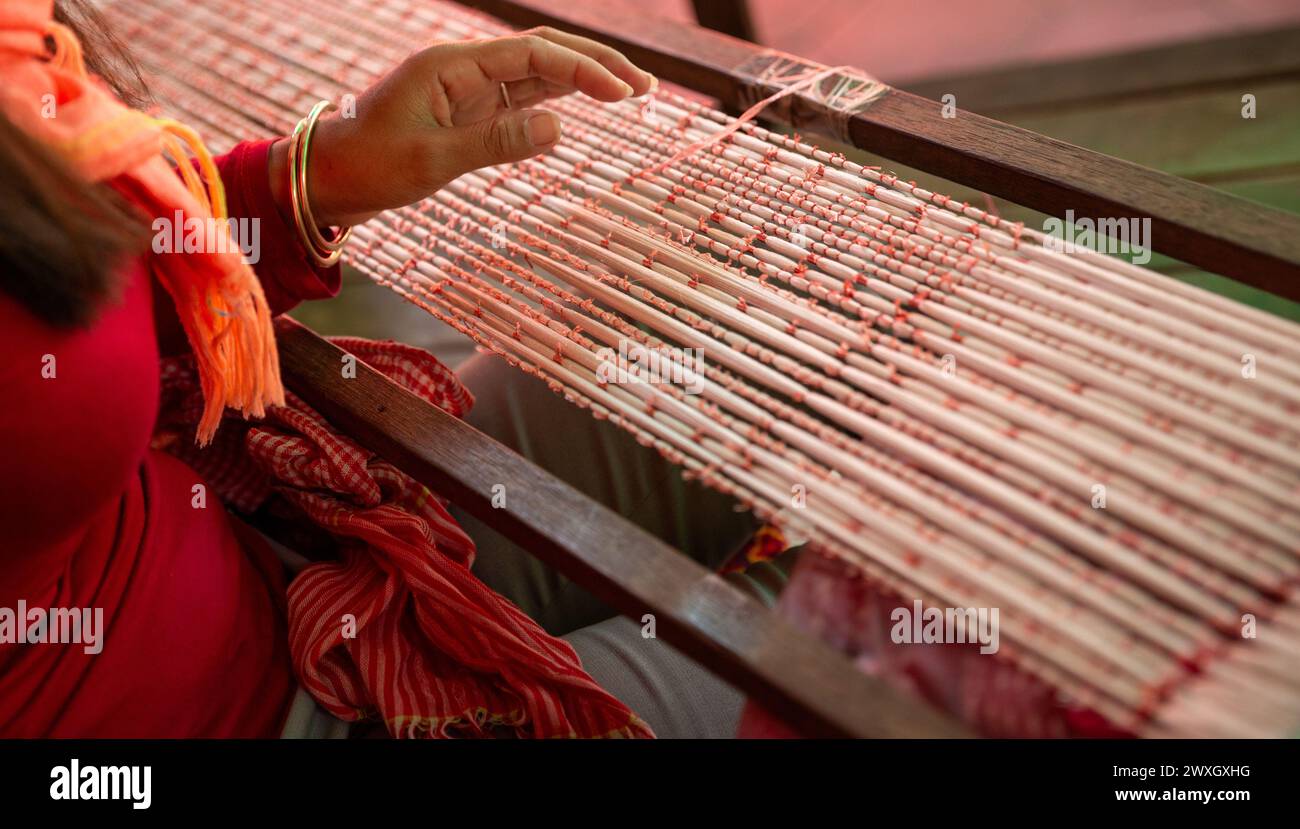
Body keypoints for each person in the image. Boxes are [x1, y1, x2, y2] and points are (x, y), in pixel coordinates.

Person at [0, 0, 754, 738]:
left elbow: (80, 270)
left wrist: (316, 174)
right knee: (848, 641)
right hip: (264, 711)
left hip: (307, 543)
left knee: (742, 360)